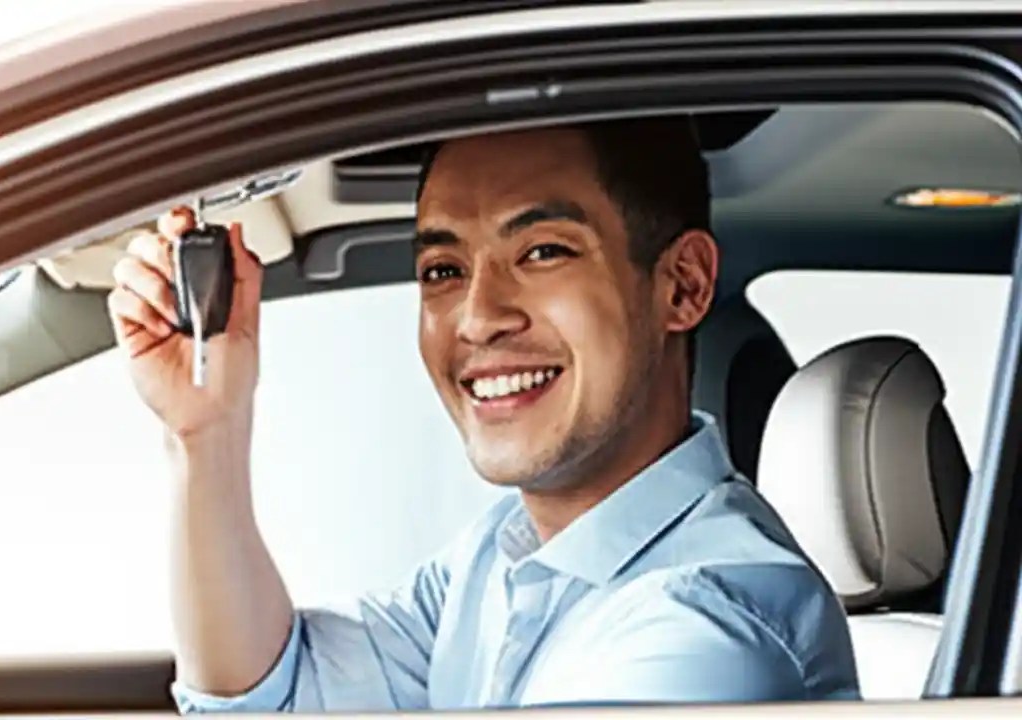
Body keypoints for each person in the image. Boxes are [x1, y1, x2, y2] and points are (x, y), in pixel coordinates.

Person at [106, 117, 860, 711]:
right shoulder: (503, 558)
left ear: (683, 287)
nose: (477, 317)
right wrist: (203, 431)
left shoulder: (707, 632)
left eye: (542, 253)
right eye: (443, 270)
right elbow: (278, 691)